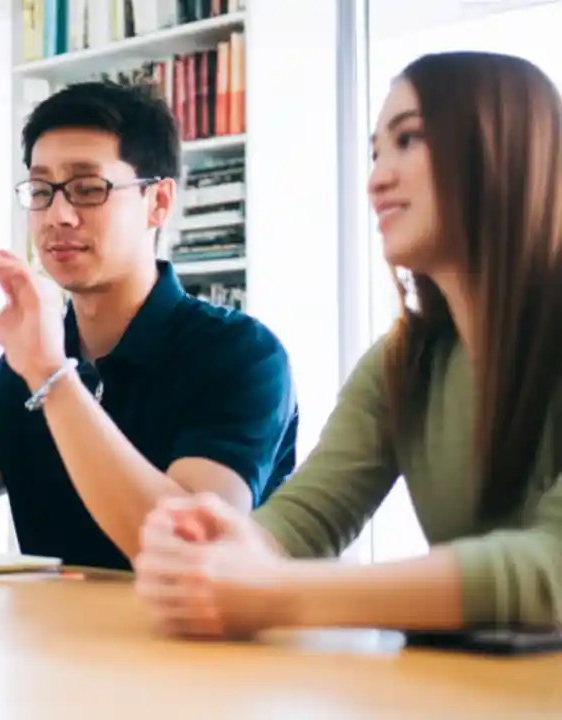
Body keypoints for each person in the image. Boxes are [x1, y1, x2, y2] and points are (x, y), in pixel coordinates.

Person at [134, 51, 562, 637]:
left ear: (504, 149)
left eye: (409, 140)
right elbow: (304, 523)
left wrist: (278, 593)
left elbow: (551, 570)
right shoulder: (401, 363)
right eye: (375, 152)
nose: (377, 178)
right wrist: (221, 542)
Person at [0, 81, 298, 570]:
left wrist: (51, 376)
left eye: (88, 189)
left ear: (158, 202)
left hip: (196, 643)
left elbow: (190, 549)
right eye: (41, 191)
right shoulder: (30, 365)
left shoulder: (242, 354)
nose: (58, 216)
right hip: (55, 640)